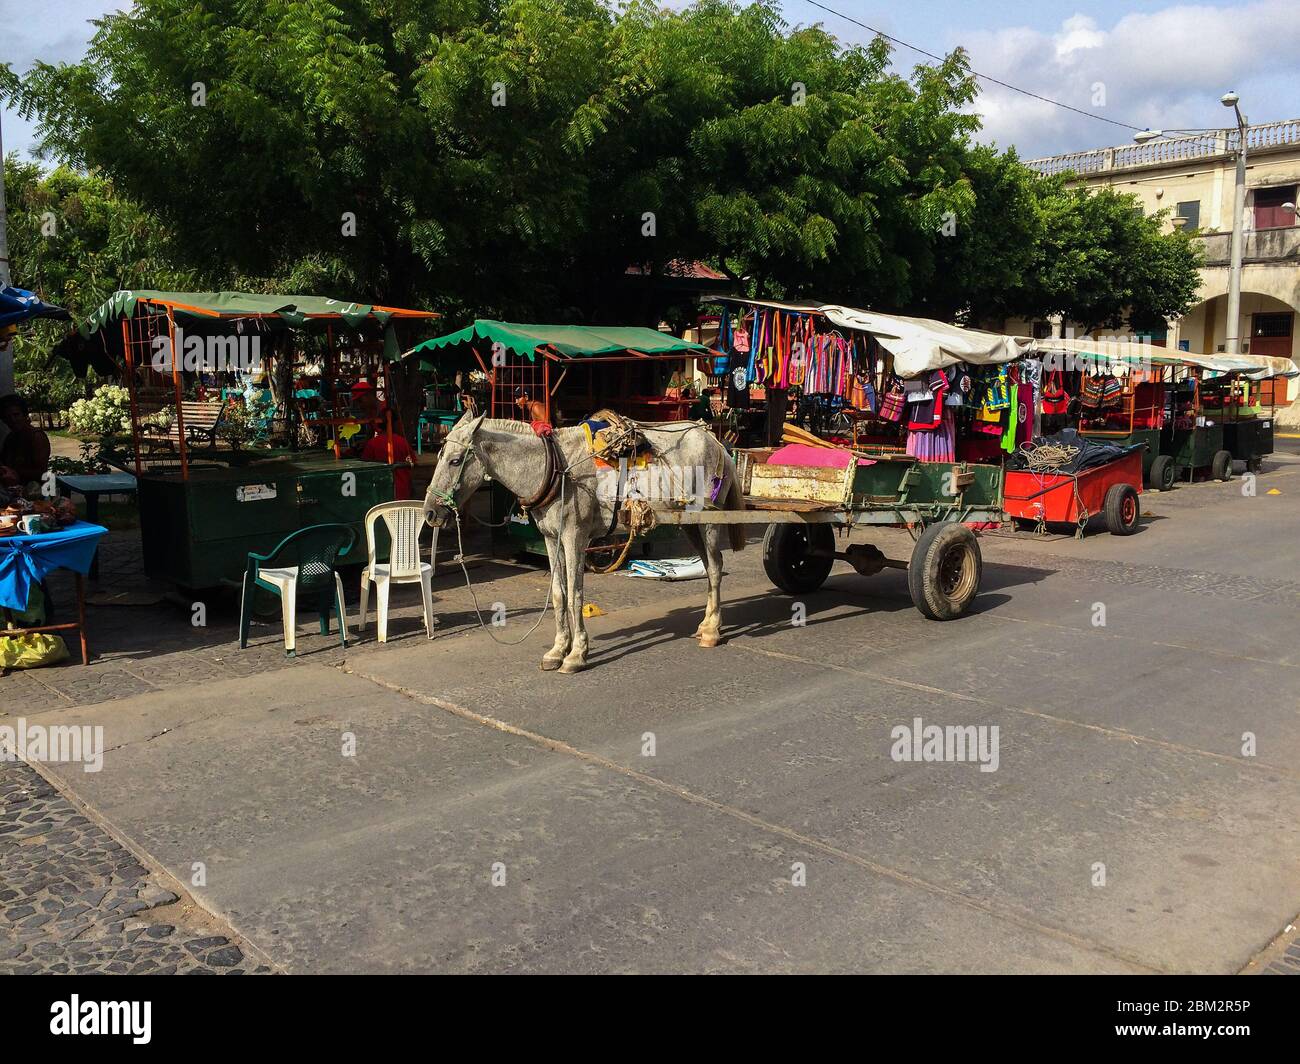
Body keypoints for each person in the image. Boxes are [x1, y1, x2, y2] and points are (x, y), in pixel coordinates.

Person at [0, 394, 52, 494]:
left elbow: (42, 473)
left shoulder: (37, 437)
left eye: (16, 415)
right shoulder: (10, 438)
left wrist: (14, 472)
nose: (12, 420)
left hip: (36, 492)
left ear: (24, 415)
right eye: (8, 417)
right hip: (13, 490)